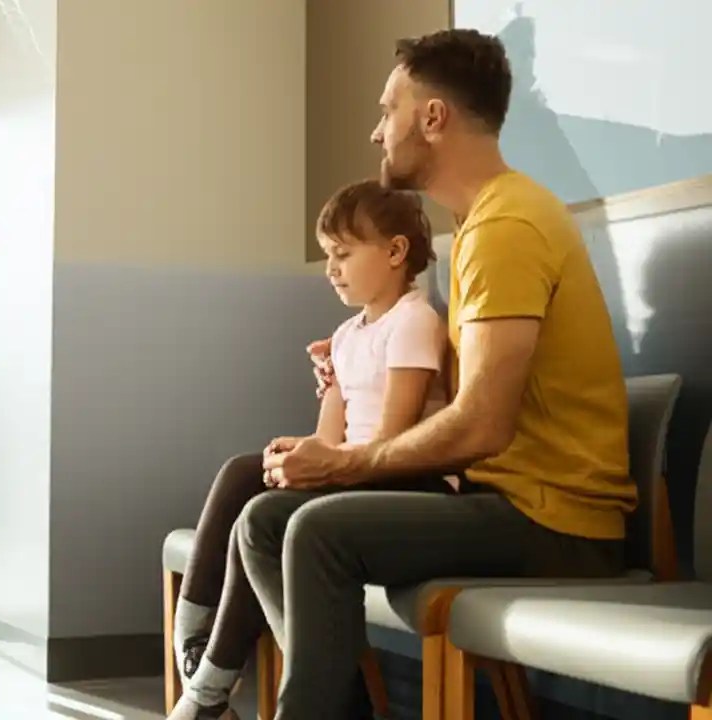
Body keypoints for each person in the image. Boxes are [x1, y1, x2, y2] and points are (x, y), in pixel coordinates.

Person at [241, 29, 635, 720]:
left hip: (554, 523)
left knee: (318, 531)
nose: (375, 131)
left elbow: (482, 424)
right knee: (266, 520)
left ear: (433, 118)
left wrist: (343, 465)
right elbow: (471, 399)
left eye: (387, 110)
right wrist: (358, 373)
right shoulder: (484, 223)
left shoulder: (507, 226)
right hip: (503, 500)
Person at [168, 180, 451, 720]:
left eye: (344, 254)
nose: (332, 268)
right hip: (360, 470)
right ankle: (193, 646)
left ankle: (207, 688)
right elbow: (330, 438)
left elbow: (392, 441)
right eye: (328, 256)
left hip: (404, 478)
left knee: (263, 513)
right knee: (244, 472)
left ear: (395, 252)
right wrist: (299, 454)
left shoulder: (414, 320)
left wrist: (323, 465)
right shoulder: (345, 336)